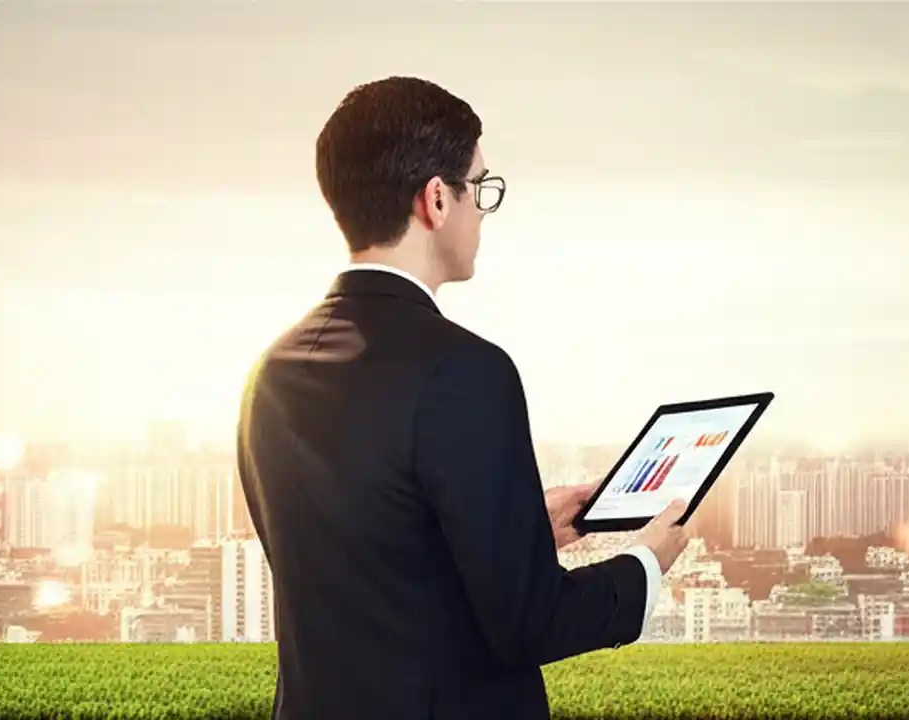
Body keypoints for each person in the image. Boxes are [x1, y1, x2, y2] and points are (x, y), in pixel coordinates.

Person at [236, 76, 691, 720]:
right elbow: (531, 625)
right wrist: (647, 562)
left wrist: (519, 529)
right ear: (436, 200)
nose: (483, 210)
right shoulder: (466, 370)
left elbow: (364, 557)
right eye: (480, 187)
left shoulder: (271, 372)